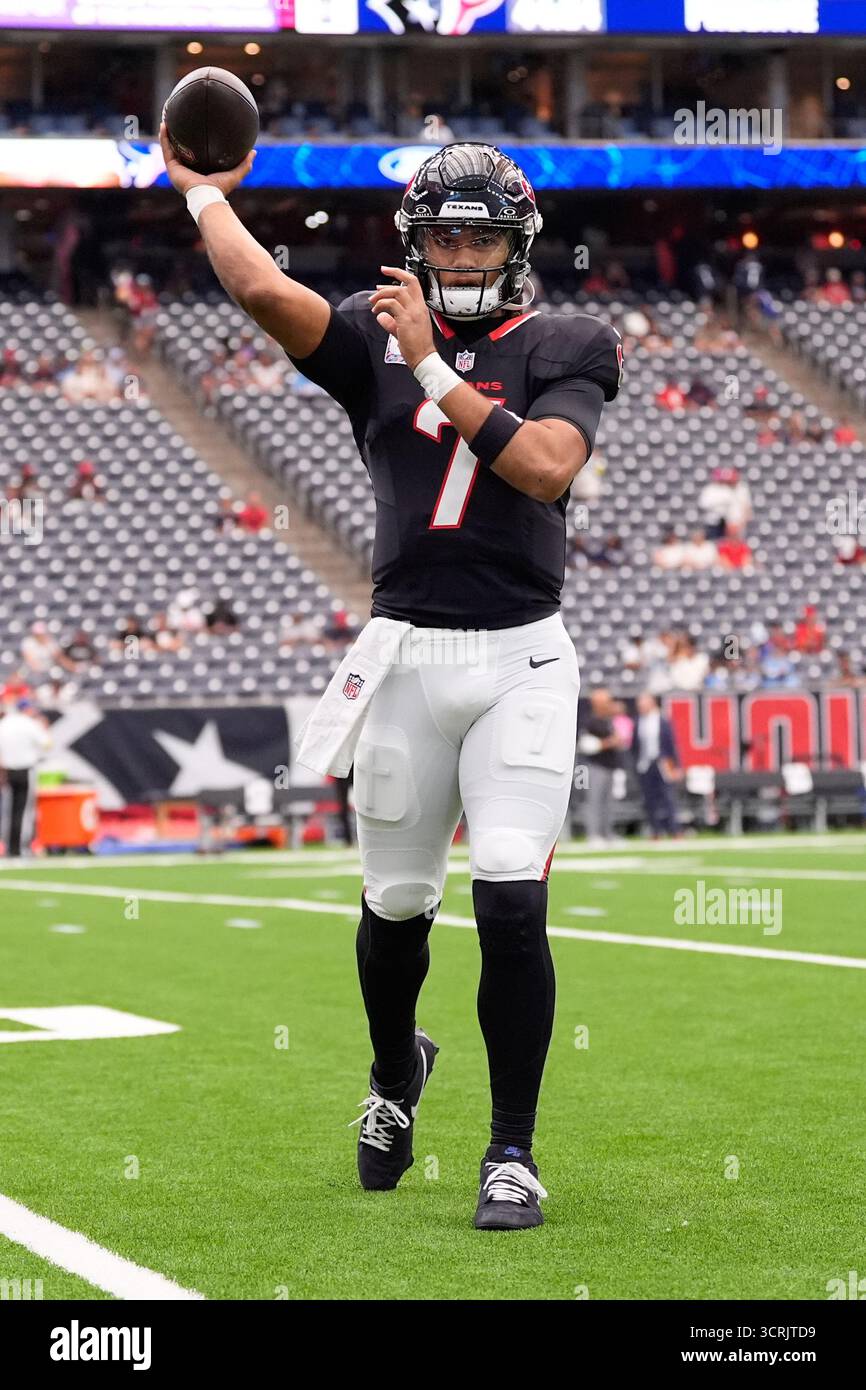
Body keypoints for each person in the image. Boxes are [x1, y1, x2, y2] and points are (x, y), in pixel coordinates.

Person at [160, 128, 621, 1229]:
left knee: (511, 892)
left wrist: (426, 364)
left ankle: (509, 1150)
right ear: (415, 244)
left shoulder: (568, 337)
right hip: (406, 659)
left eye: (478, 236)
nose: (458, 255)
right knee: (396, 905)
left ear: (516, 246)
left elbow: (546, 466)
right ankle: (391, 1074)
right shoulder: (372, 337)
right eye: (441, 236)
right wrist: (203, 200)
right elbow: (267, 293)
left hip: (520, 657)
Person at [0, 699, 51, 856]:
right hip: (25, 770)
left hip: (7, 771)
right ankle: (22, 848)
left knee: (8, 811)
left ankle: (8, 847)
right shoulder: (30, 724)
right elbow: (47, 743)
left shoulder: (4, 723)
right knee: (25, 811)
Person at [578, 688, 624, 848]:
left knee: (608, 803)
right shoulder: (590, 721)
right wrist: (609, 742)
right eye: (606, 702)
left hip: (609, 765)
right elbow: (585, 745)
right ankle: (594, 834)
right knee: (594, 801)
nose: (609, 705)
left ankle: (607, 834)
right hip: (594, 766)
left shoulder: (608, 721)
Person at [631, 692, 681, 838]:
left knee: (668, 797)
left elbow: (671, 744)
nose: (640, 706)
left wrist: (676, 766)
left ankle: (674, 829)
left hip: (662, 763)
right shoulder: (638, 721)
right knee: (649, 799)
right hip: (645, 764)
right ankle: (655, 830)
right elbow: (634, 746)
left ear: (652, 703)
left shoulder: (662, 720)